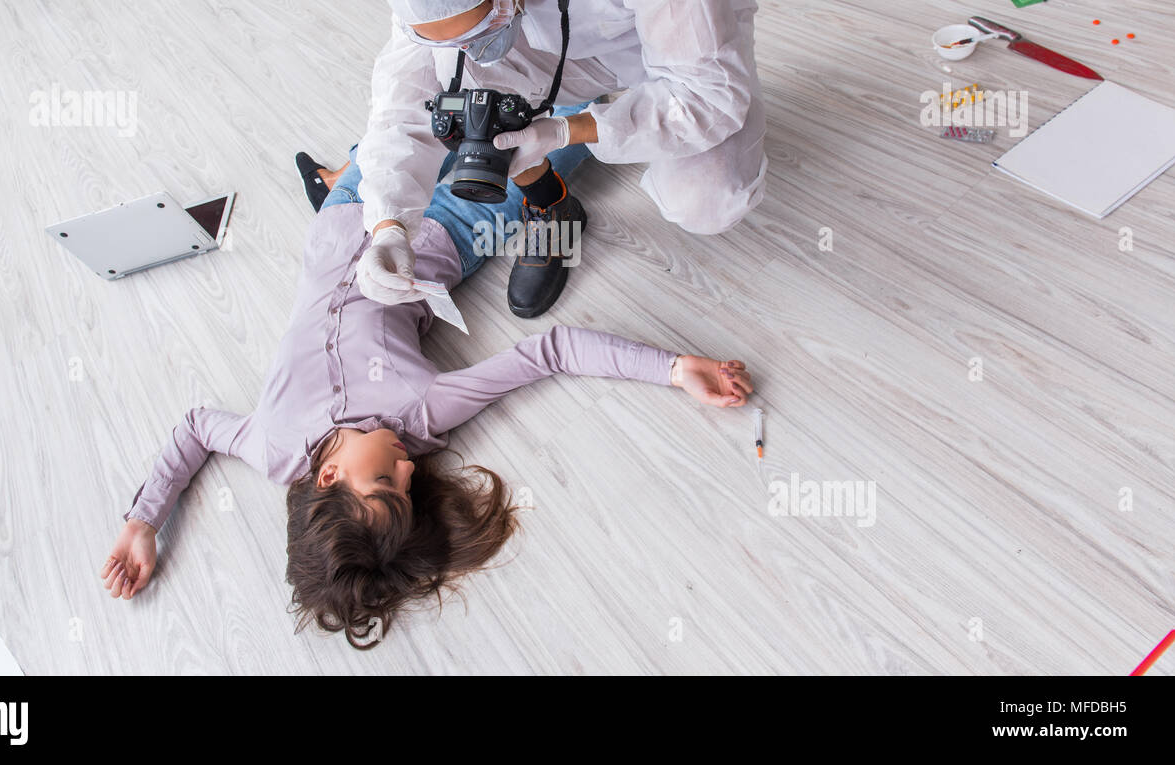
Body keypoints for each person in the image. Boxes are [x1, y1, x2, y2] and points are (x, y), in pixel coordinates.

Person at [100, 136, 755, 649]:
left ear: (327, 473)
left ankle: (338, 171)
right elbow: (547, 354)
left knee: (427, 101)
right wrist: (672, 367)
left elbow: (193, 428)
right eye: (408, 488)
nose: (411, 467)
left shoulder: (271, 444)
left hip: (349, 214)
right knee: (572, 125)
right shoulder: (418, 417)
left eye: (386, 481)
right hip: (447, 231)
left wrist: (143, 520)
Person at [355, 0, 767, 319]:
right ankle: (550, 207)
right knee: (465, 93)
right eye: (444, 36)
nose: (468, 48)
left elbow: (709, 94)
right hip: (554, 38)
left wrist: (568, 130)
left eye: (477, 23)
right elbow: (401, 103)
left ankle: (616, 120)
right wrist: (387, 225)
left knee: (706, 199)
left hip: (677, 37)